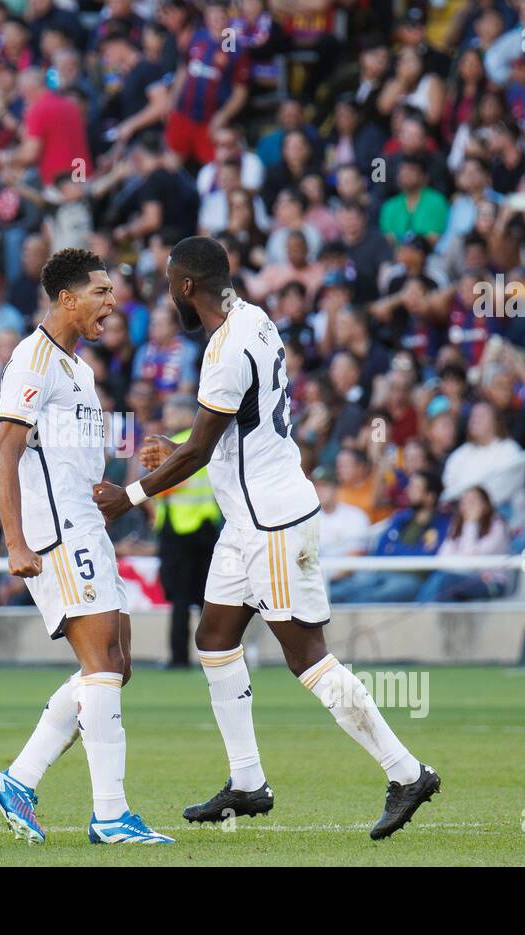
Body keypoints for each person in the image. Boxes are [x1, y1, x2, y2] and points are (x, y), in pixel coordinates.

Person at [94, 236, 440, 841]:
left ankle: (407, 772)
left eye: (168, 282)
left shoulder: (225, 349)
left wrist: (130, 495)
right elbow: (230, 431)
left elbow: (203, 447)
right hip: (247, 520)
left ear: (183, 288)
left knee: (307, 658)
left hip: (275, 521)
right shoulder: (255, 318)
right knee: (215, 638)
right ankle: (248, 782)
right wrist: (180, 451)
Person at [0, 246, 174, 846]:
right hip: (56, 534)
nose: (112, 304)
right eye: (101, 293)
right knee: (100, 669)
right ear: (66, 299)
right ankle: (111, 815)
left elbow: (70, 460)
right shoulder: (31, 362)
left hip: (87, 523)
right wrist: (15, 540)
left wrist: (133, 463)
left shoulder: (80, 369)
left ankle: (20, 779)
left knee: (116, 666)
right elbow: (7, 453)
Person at [148, 394, 221, 669]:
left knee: (179, 598)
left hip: (180, 528)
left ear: (183, 413)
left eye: (169, 410)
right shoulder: (207, 439)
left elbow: (164, 485)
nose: (166, 417)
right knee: (208, 597)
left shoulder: (182, 441)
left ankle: (180, 657)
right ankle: (217, 655)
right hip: (205, 525)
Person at [329, 469, 451, 604]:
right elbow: (381, 548)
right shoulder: (401, 517)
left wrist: (394, 550)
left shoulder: (441, 524)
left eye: (415, 488)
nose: (408, 491)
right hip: (382, 573)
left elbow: (425, 557)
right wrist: (402, 552)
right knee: (337, 593)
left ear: (430, 496)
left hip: (411, 579)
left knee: (365, 600)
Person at [417, 486, 512, 602]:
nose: (468, 506)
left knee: (445, 581)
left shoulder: (498, 527)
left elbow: (471, 560)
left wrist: (471, 523)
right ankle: (423, 616)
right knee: (445, 592)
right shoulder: (457, 526)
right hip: (461, 577)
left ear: (486, 505)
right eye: (465, 502)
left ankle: (419, 614)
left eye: (473, 501)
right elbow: (442, 558)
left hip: (491, 583)